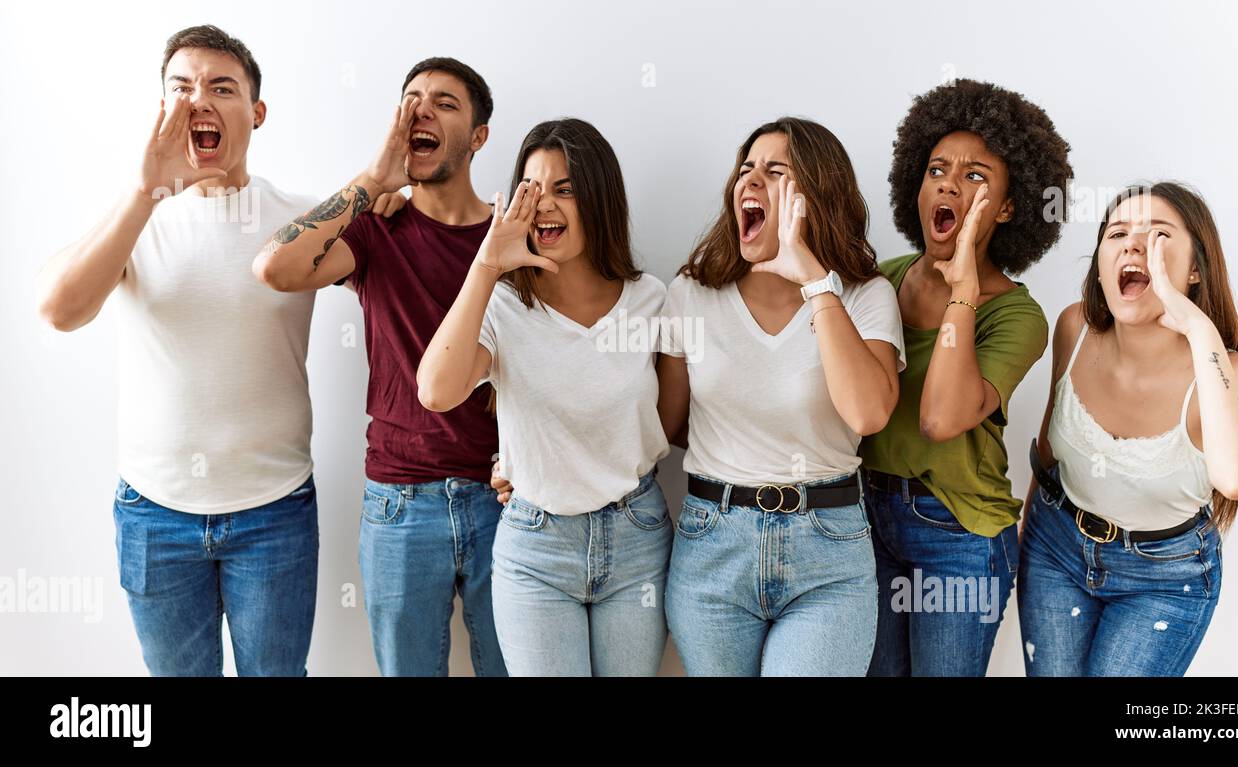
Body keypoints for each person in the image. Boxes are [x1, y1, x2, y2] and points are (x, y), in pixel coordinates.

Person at [36, 25, 320, 676]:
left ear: (258, 112)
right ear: (162, 112)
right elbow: (59, 308)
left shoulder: (302, 219)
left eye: (222, 87)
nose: (200, 100)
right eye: (181, 88)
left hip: (273, 513)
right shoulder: (134, 219)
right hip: (153, 519)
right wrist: (145, 190)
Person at [253, 57, 507, 677]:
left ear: (479, 136)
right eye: (411, 100)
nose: (422, 110)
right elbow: (275, 267)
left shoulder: (511, 237)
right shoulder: (375, 229)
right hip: (399, 500)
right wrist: (371, 180)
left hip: (505, 500)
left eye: (445, 103)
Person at [417, 118, 671, 676]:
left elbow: (672, 422)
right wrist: (487, 264)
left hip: (636, 539)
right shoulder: (503, 307)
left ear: (600, 198)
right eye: (532, 189)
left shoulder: (650, 300)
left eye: (566, 188)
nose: (546, 204)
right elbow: (435, 391)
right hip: (536, 547)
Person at [658, 117, 904, 676]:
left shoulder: (865, 296)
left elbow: (867, 413)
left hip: (829, 548)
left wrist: (817, 283)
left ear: (816, 195)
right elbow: (667, 427)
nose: (750, 182)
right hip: (713, 545)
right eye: (745, 169)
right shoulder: (691, 294)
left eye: (774, 172)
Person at [857, 79, 1073, 676]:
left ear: (1007, 207)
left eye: (976, 175)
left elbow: (939, 418)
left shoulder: (1017, 315)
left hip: (959, 533)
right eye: (936, 170)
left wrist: (963, 293)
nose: (948, 183)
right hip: (868, 517)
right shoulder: (881, 280)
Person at [1018, 182, 1238, 676]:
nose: (1134, 245)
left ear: (1196, 269)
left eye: (1158, 236)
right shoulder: (1074, 328)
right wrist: (1029, 541)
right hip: (1056, 551)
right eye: (1117, 234)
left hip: (1165, 579)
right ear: (1100, 262)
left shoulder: (1231, 374)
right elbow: (1048, 451)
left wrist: (1198, 328)